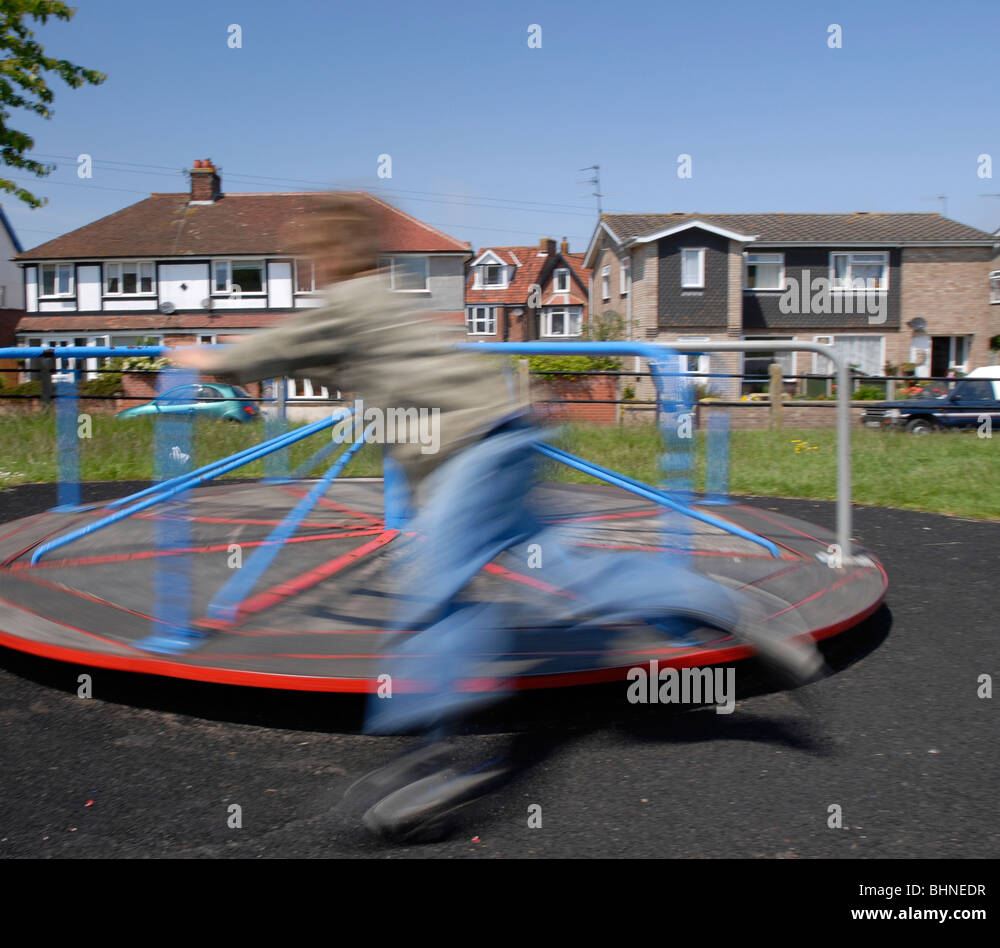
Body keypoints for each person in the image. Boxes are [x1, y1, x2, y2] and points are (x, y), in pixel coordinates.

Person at [175, 194, 823, 842]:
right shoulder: (385, 301)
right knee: (564, 567)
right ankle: (718, 606)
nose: (308, 267)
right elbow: (319, 356)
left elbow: (280, 347)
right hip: (507, 435)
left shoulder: (348, 303)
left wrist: (203, 358)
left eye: (308, 256)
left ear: (325, 257)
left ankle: (431, 764)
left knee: (433, 587)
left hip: (471, 454)